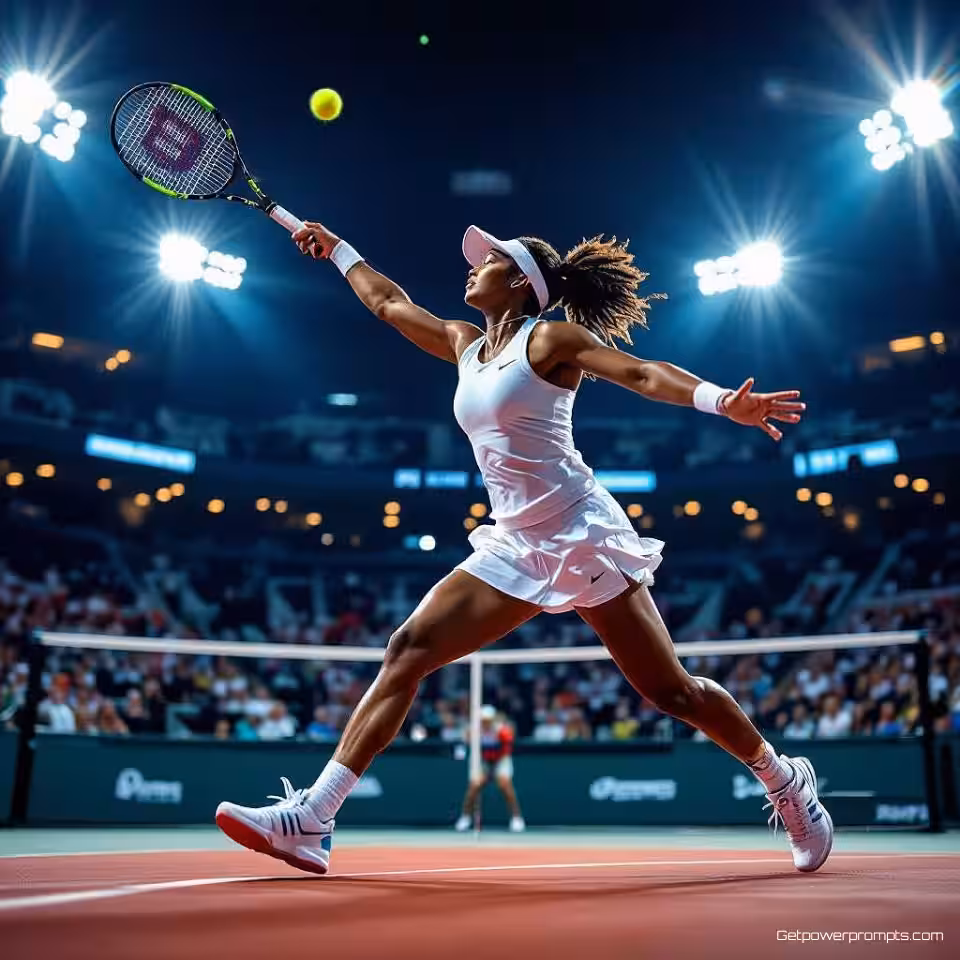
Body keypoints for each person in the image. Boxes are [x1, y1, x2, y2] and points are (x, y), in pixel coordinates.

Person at [216, 221, 831, 876]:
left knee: (673, 694)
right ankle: (314, 818)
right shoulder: (464, 343)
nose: (472, 267)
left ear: (518, 281)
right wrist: (338, 250)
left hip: (578, 530)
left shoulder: (551, 340)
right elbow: (388, 303)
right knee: (408, 648)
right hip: (513, 540)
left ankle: (785, 780)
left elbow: (642, 373)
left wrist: (721, 402)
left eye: (487, 261)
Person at [455, 705, 525, 833]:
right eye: (483, 720)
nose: (485, 723)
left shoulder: (502, 731)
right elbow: (464, 742)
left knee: (505, 786)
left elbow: (509, 742)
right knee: (474, 787)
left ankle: (517, 818)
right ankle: (465, 818)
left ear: (493, 720)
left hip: (500, 761)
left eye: (488, 720)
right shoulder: (474, 730)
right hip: (483, 762)